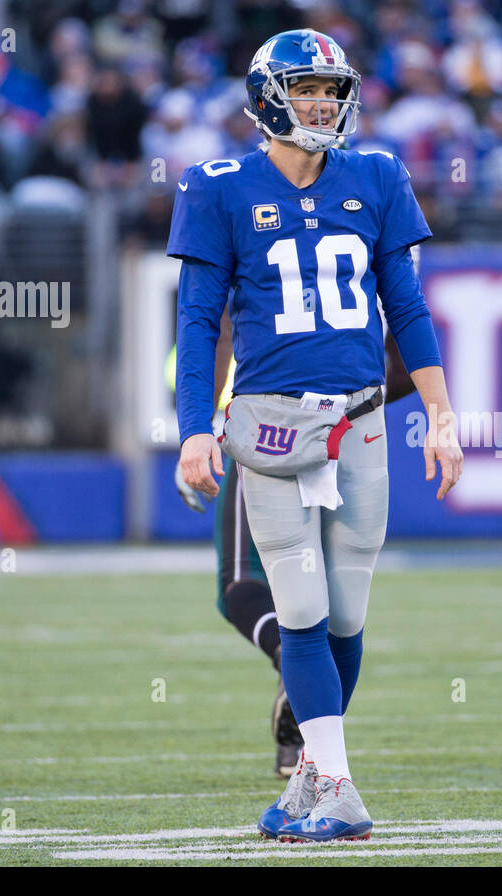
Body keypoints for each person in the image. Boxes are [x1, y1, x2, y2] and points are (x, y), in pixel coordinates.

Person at [169, 29, 462, 842]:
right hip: (269, 427)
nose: (323, 103)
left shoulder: (375, 174)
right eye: (305, 89)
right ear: (267, 96)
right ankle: (338, 787)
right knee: (297, 607)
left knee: (343, 617)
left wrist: (440, 413)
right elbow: (197, 322)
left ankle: (311, 777)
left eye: (332, 90)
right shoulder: (218, 184)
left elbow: (406, 307)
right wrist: (195, 430)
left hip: (363, 418)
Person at [174, 308, 423, 780]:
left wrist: (198, 429)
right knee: (337, 604)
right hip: (355, 434)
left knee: (243, 587)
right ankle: (316, 762)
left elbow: (214, 326)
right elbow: (410, 343)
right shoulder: (374, 243)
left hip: (266, 432)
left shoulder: (254, 237)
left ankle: (301, 696)